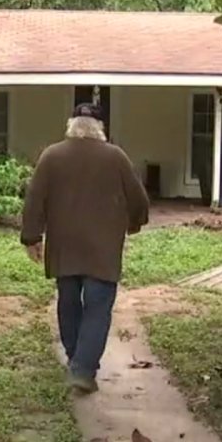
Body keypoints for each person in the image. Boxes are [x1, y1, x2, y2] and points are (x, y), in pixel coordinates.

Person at [20, 103, 150, 395]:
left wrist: (31, 237)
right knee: (97, 308)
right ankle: (82, 368)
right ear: (100, 129)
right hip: (102, 250)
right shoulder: (115, 157)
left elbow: (34, 199)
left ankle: (75, 358)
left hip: (64, 247)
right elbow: (138, 199)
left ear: (71, 125)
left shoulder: (51, 156)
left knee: (68, 303)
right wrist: (135, 223)